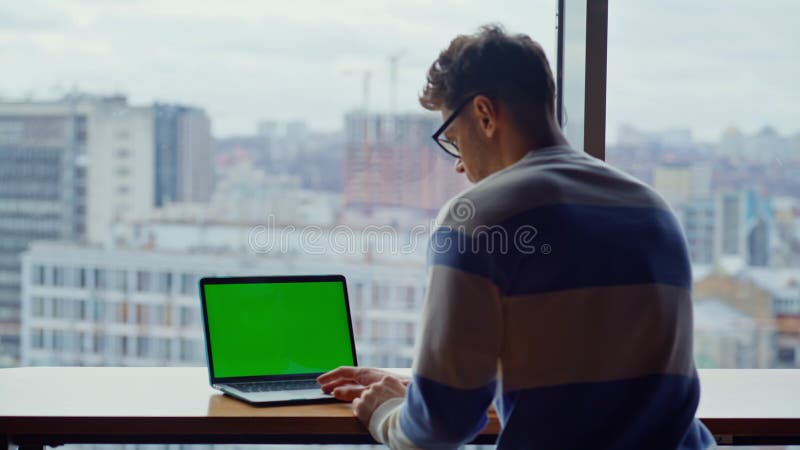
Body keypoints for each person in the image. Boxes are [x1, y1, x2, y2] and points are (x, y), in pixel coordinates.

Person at [317, 24, 715, 450]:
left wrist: (385, 412)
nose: (459, 167)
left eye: (453, 140)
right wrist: (422, 393)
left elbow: (440, 431)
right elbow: (595, 391)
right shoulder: (653, 210)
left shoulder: (478, 220)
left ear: (485, 114)